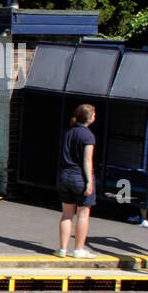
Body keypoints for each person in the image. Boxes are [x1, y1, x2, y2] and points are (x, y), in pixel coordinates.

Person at [56, 103, 97, 259]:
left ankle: (62, 249)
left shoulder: (68, 132)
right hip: (79, 177)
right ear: (90, 118)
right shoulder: (88, 136)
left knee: (66, 214)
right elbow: (87, 161)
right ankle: (78, 249)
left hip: (65, 176)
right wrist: (89, 182)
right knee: (83, 214)